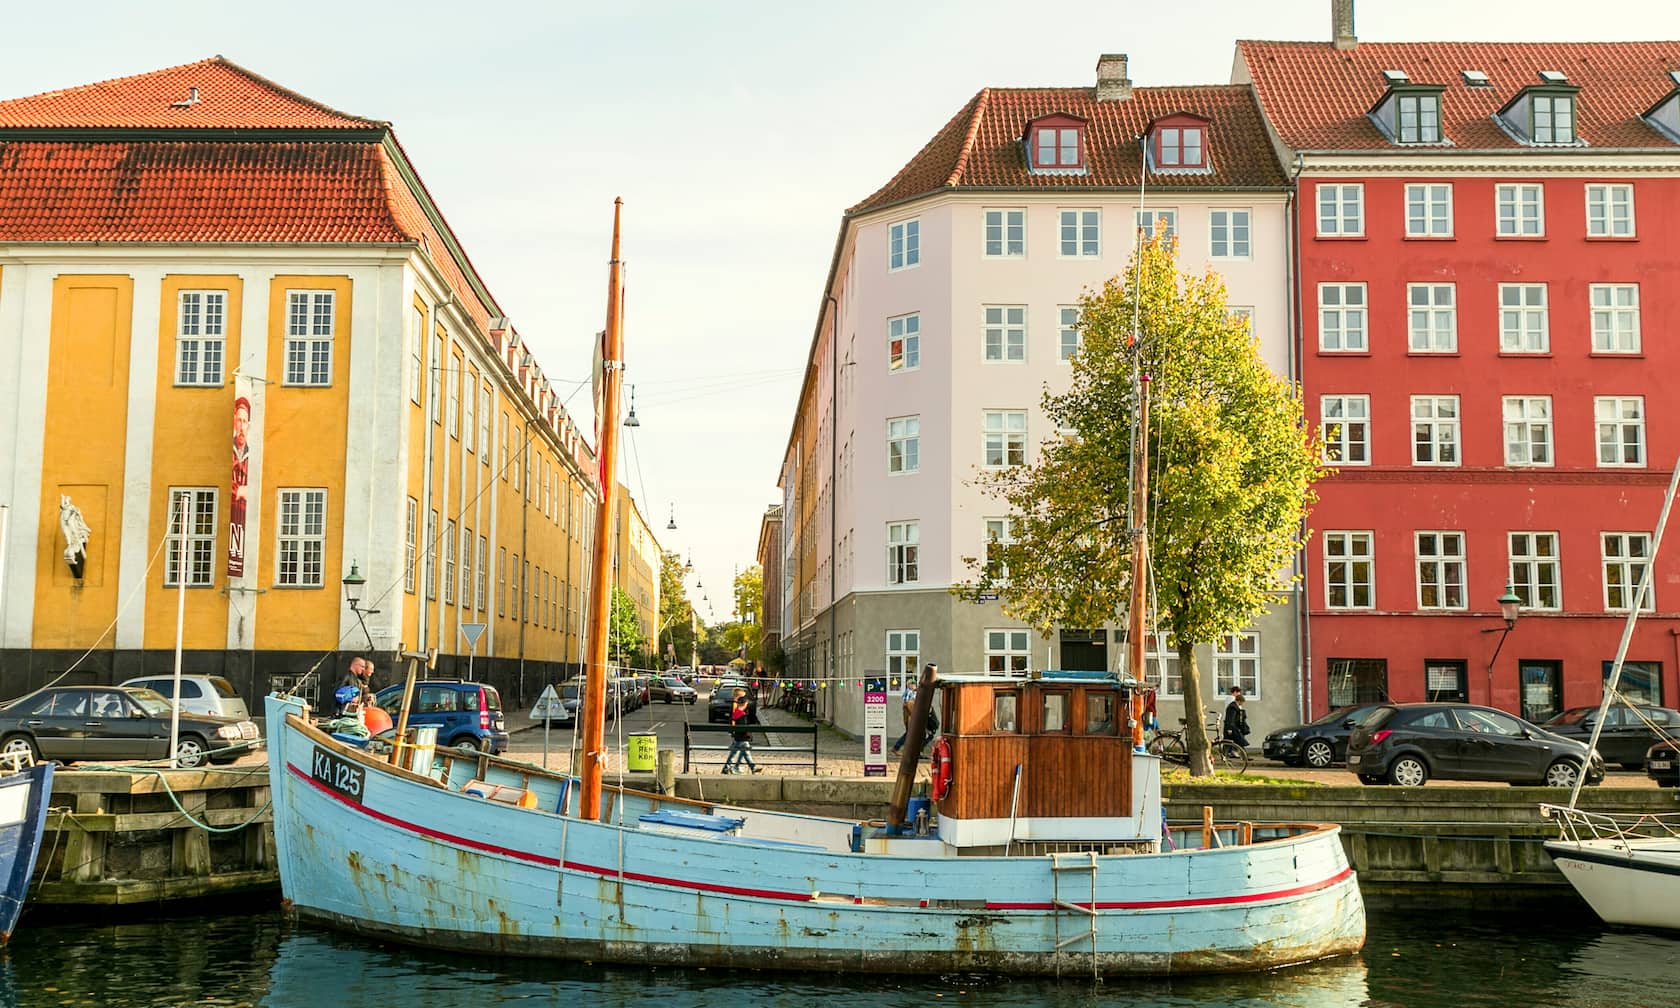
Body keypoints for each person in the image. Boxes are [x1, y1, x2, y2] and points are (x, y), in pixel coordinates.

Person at [722, 689, 760, 774]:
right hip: (741, 735)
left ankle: (732, 767)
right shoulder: (738, 709)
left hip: (739, 735)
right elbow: (737, 722)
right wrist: (734, 731)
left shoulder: (738, 709)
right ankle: (733, 767)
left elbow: (733, 718)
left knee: (741, 752)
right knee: (741, 752)